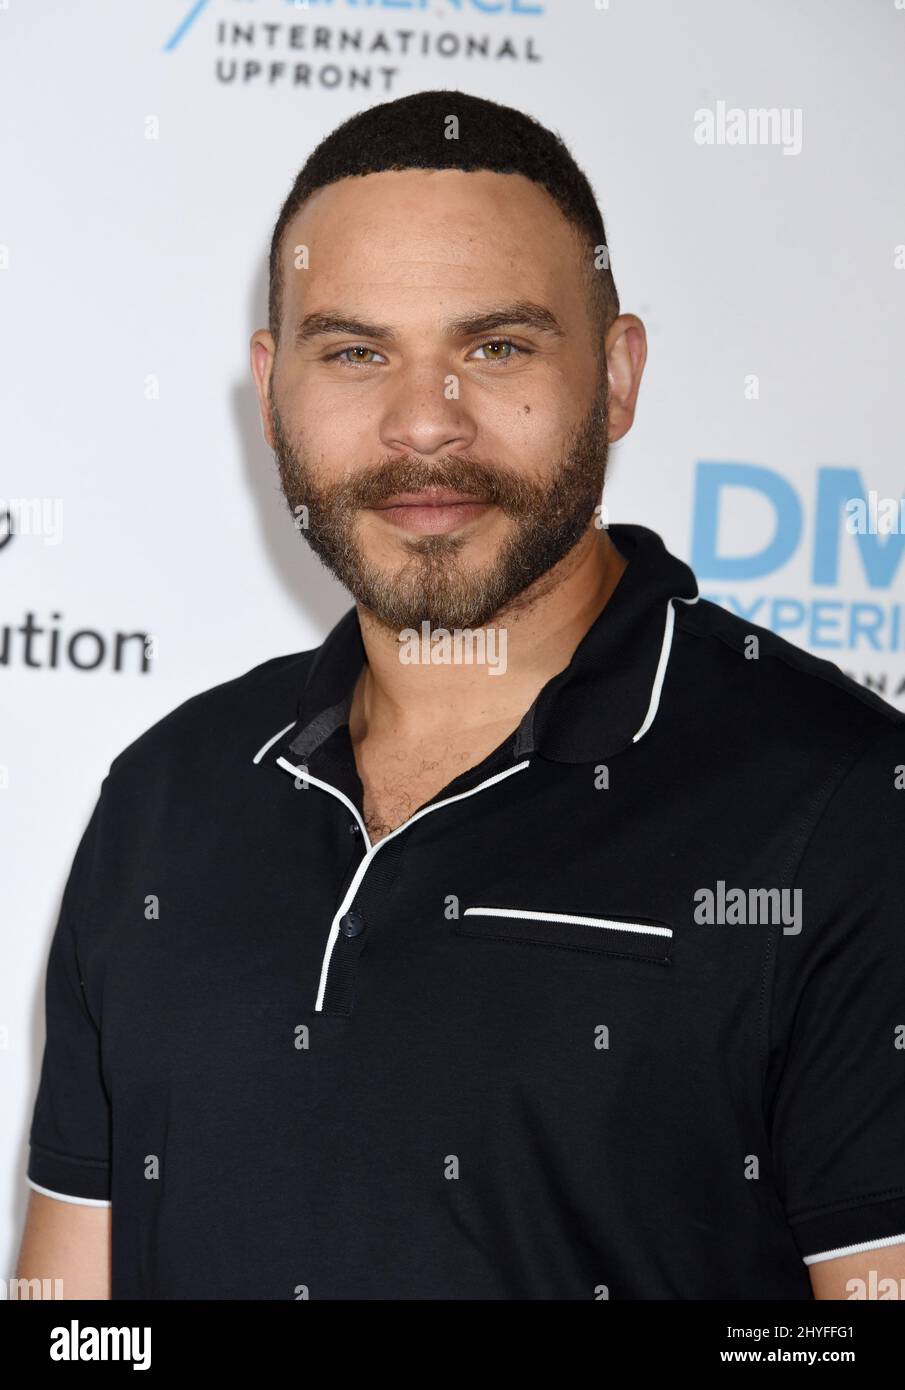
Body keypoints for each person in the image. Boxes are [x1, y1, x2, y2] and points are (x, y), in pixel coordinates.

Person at [17, 90, 905, 1300]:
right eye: (354, 352)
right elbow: (73, 1311)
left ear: (617, 374)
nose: (423, 424)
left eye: (495, 347)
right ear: (272, 395)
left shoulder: (848, 810)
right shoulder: (166, 796)